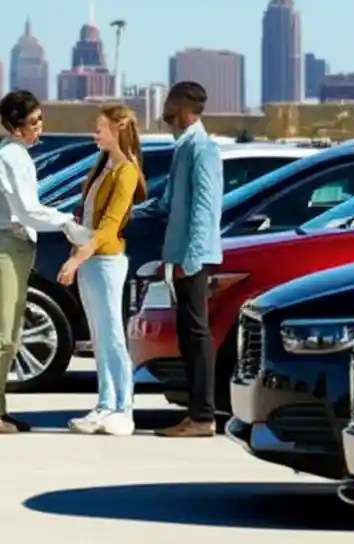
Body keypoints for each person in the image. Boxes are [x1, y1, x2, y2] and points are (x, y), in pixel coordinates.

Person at [0, 91, 89, 434]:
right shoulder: (8, 156)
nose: (40, 127)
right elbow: (25, 209)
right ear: (14, 124)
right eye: (33, 122)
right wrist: (67, 223)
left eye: (40, 119)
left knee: (12, 329)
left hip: (19, 245)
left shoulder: (20, 155)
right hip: (5, 245)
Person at [57, 103, 148, 436]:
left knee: (112, 335)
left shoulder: (125, 170)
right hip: (91, 260)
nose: (96, 133)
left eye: (101, 127)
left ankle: (123, 409)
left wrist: (76, 259)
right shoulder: (102, 166)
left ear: (119, 126)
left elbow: (110, 226)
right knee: (98, 335)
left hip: (107, 261)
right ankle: (105, 403)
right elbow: (91, 216)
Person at [154, 81, 224, 438]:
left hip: (193, 259)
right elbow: (169, 203)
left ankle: (202, 417)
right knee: (187, 334)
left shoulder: (202, 149)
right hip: (179, 255)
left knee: (197, 335)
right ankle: (194, 414)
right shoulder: (184, 148)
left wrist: (192, 259)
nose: (166, 119)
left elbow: (205, 210)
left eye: (168, 111)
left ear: (182, 110)